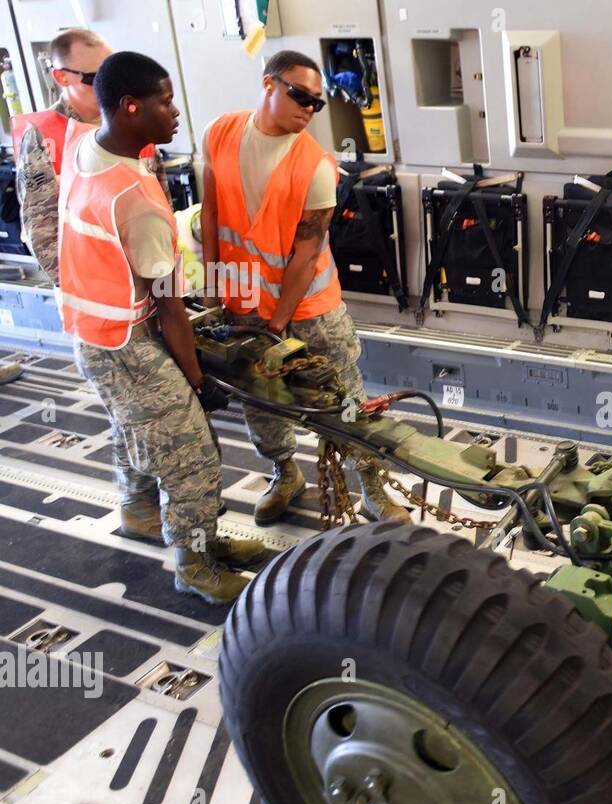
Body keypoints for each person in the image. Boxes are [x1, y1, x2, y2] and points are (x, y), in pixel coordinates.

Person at [58, 50, 265, 604]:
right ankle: (195, 563)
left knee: (149, 439)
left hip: (95, 329)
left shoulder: (84, 149)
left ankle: (195, 535)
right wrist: (198, 380)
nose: (175, 112)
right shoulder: (136, 199)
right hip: (125, 343)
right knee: (192, 453)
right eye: (164, 101)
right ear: (130, 107)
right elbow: (169, 302)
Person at [199, 50, 411, 526]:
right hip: (242, 302)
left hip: (310, 306)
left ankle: (374, 489)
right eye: (300, 97)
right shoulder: (219, 133)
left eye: (317, 103)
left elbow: (306, 251)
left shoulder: (316, 165)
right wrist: (215, 294)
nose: (309, 110)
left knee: (344, 398)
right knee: (260, 400)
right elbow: (210, 212)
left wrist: (279, 322)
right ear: (268, 84)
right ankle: (284, 473)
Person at [14, 27, 168, 538]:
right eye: (94, 74)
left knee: (141, 409)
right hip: (103, 311)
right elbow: (42, 231)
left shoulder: (131, 121)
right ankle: (139, 504)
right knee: (130, 408)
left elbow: (154, 199)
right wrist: (96, 294)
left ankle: (140, 502)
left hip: (145, 297)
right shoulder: (47, 138)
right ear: (61, 78)